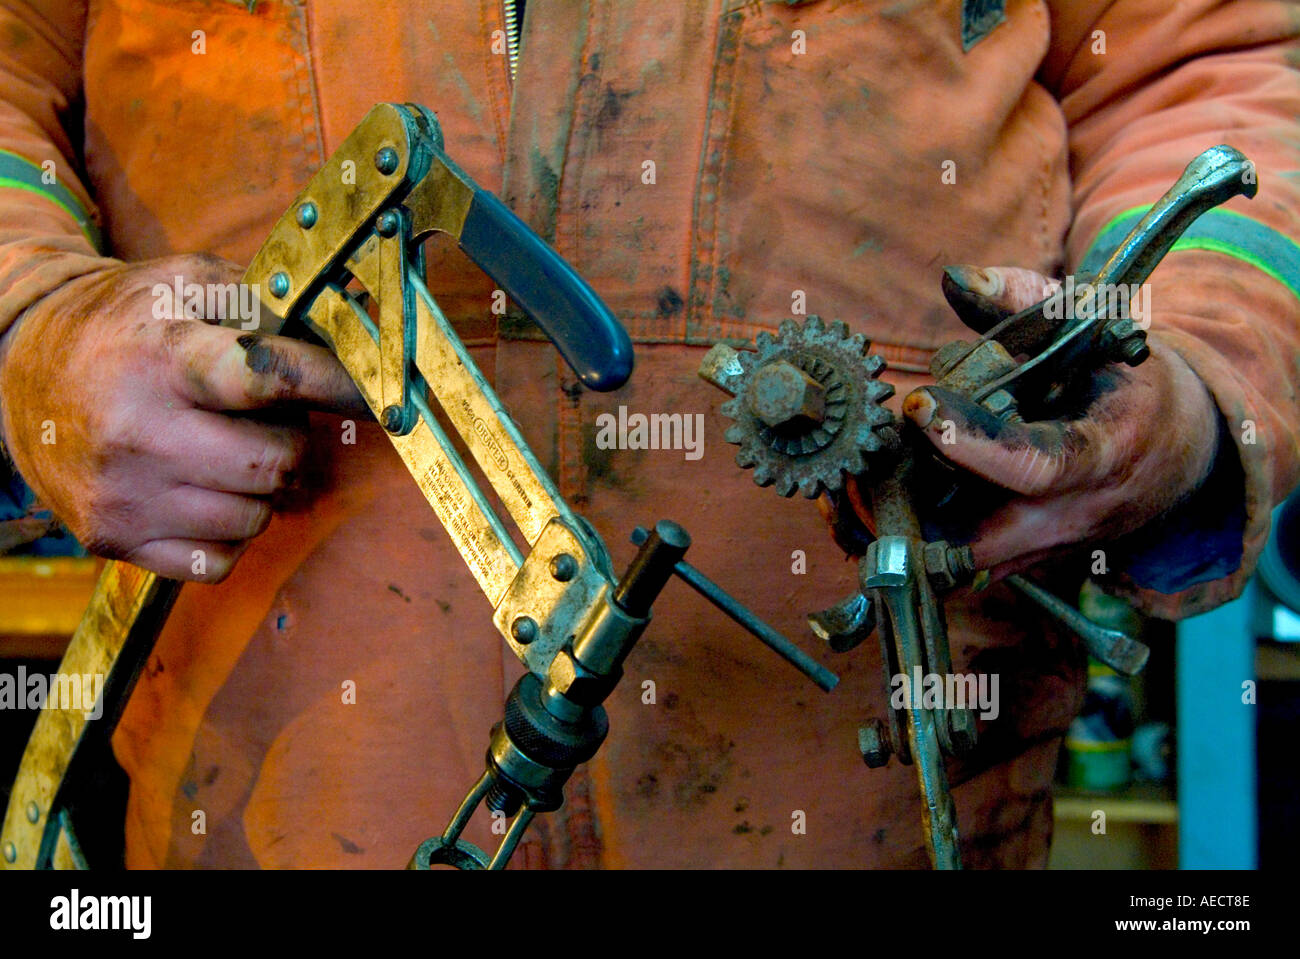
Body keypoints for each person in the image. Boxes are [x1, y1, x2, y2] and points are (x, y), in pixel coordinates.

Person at [1, 0, 1297, 868]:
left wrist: (1196, 369)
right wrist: (30, 319)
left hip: (878, 808)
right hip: (251, 795)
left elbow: (1219, 66)